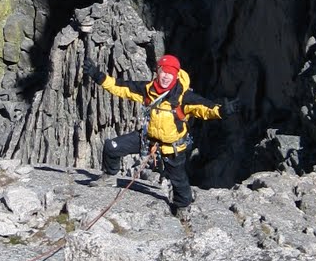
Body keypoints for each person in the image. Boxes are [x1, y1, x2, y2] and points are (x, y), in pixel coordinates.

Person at [84, 50, 237, 220]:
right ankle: (110, 176)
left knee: (178, 179)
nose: (166, 77)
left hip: (172, 146)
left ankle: (182, 206)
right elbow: (120, 87)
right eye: (163, 71)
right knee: (112, 147)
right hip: (148, 139)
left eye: (170, 73)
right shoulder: (148, 90)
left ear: (176, 75)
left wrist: (222, 110)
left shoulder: (183, 97)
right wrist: (97, 76)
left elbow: (205, 108)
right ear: (157, 71)